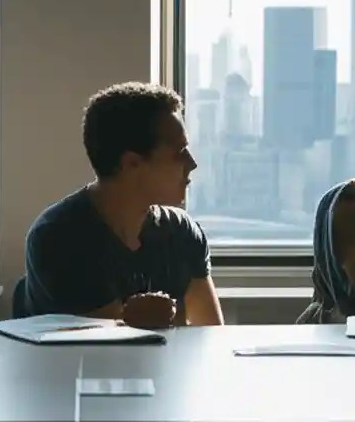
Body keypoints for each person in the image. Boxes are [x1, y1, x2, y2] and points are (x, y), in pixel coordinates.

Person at [23, 82, 224, 328]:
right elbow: (93, 350)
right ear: (132, 165)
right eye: (179, 152)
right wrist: (131, 319)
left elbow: (210, 335)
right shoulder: (57, 236)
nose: (191, 163)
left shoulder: (182, 233)